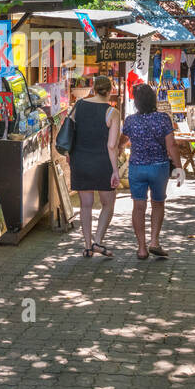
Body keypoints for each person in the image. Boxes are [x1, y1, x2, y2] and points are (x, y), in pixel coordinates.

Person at [119, 83, 185, 259]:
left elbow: (122, 141)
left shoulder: (130, 120)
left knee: (138, 206)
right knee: (158, 203)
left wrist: (117, 153)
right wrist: (179, 167)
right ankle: (154, 241)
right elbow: (171, 145)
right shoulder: (163, 119)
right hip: (159, 167)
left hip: (137, 167)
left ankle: (141, 247)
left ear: (137, 102)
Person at [68, 74, 121, 257]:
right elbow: (112, 145)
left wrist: (69, 155)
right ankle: (98, 241)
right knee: (108, 203)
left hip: (80, 160)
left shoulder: (79, 105)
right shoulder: (112, 112)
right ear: (111, 90)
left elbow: (70, 133)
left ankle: (87, 245)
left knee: (85, 205)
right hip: (102, 163)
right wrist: (115, 170)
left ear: (93, 88)